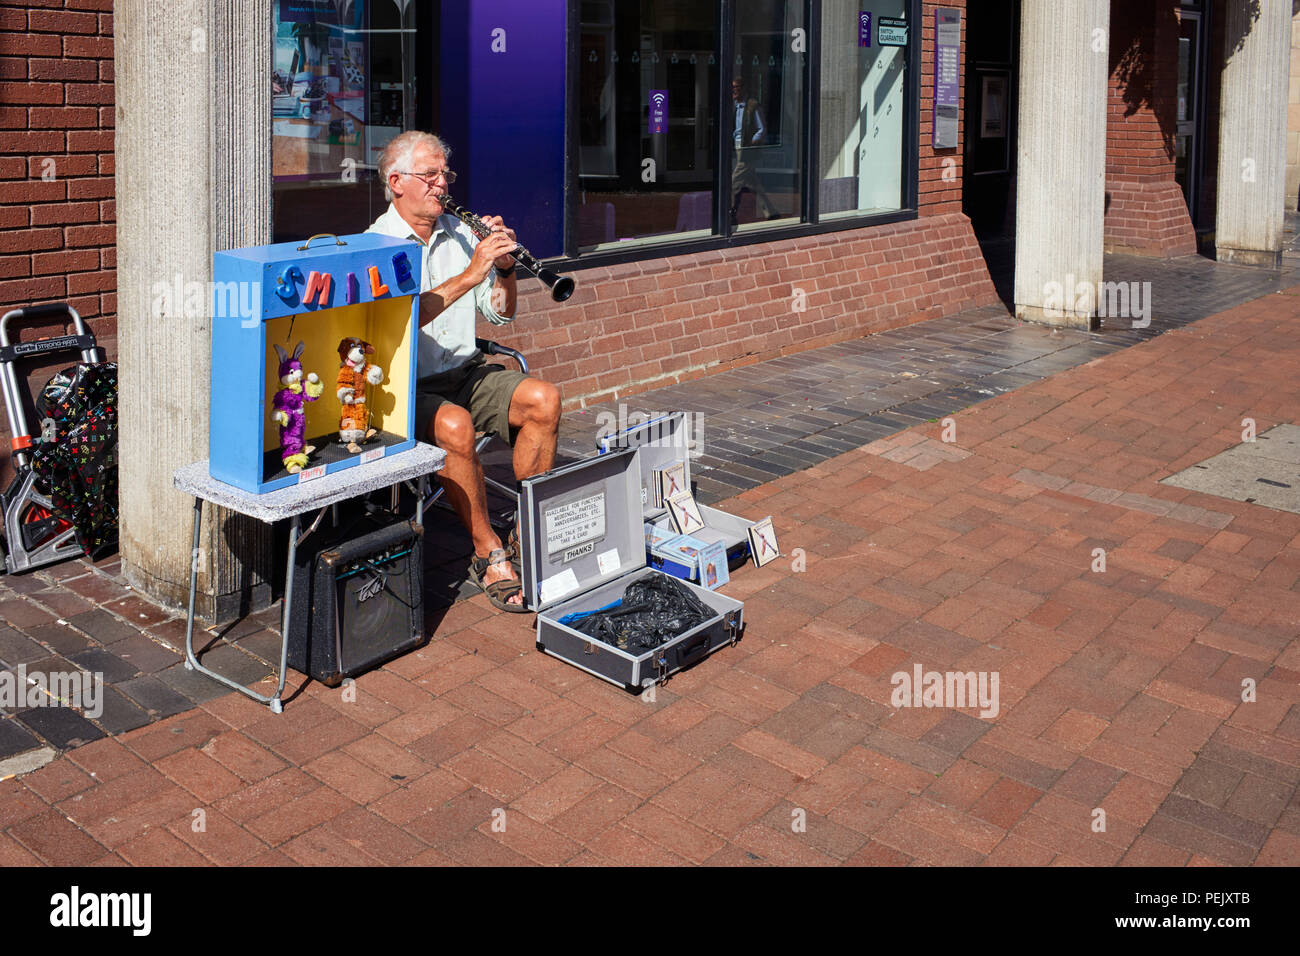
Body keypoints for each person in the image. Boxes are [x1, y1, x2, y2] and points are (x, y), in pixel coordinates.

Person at [368, 131, 561, 612]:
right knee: (455, 424)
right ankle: (486, 548)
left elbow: (499, 315)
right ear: (396, 182)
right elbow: (402, 318)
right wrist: (473, 271)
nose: (441, 185)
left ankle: (528, 530)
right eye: (429, 175)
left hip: (466, 370)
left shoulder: (458, 233)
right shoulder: (376, 245)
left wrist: (505, 271)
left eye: (445, 175)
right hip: (404, 387)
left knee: (545, 399)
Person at [729, 76, 777, 224]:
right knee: (753, 183)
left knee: (734, 181)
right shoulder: (735, 106)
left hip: (747, 149)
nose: (734, 91)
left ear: (744, 89)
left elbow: (761, 129)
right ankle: (771, 211)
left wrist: (752, 142)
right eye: (733, 88)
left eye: (737, 87)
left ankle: (729, 212)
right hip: (737, 146)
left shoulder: (752, 105)